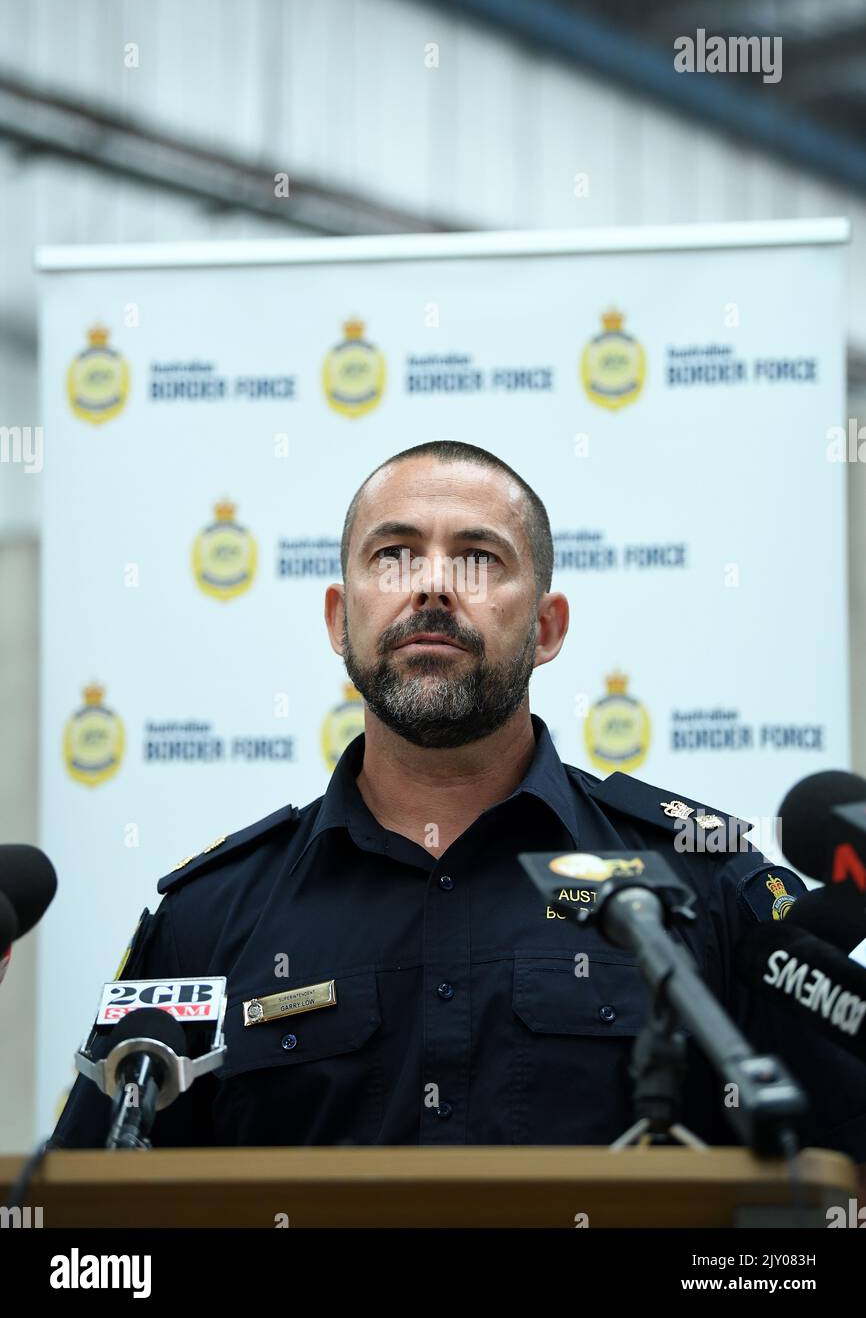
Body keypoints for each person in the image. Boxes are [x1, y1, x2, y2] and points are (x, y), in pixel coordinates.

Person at [51, 440, 866, 1175]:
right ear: (341, 620)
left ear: (547, 628)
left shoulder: (702, 881)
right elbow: (92, 1235)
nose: (435, 584)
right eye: (395, 555)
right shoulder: (209, 918)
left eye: (478, 559)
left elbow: (840, 1173)